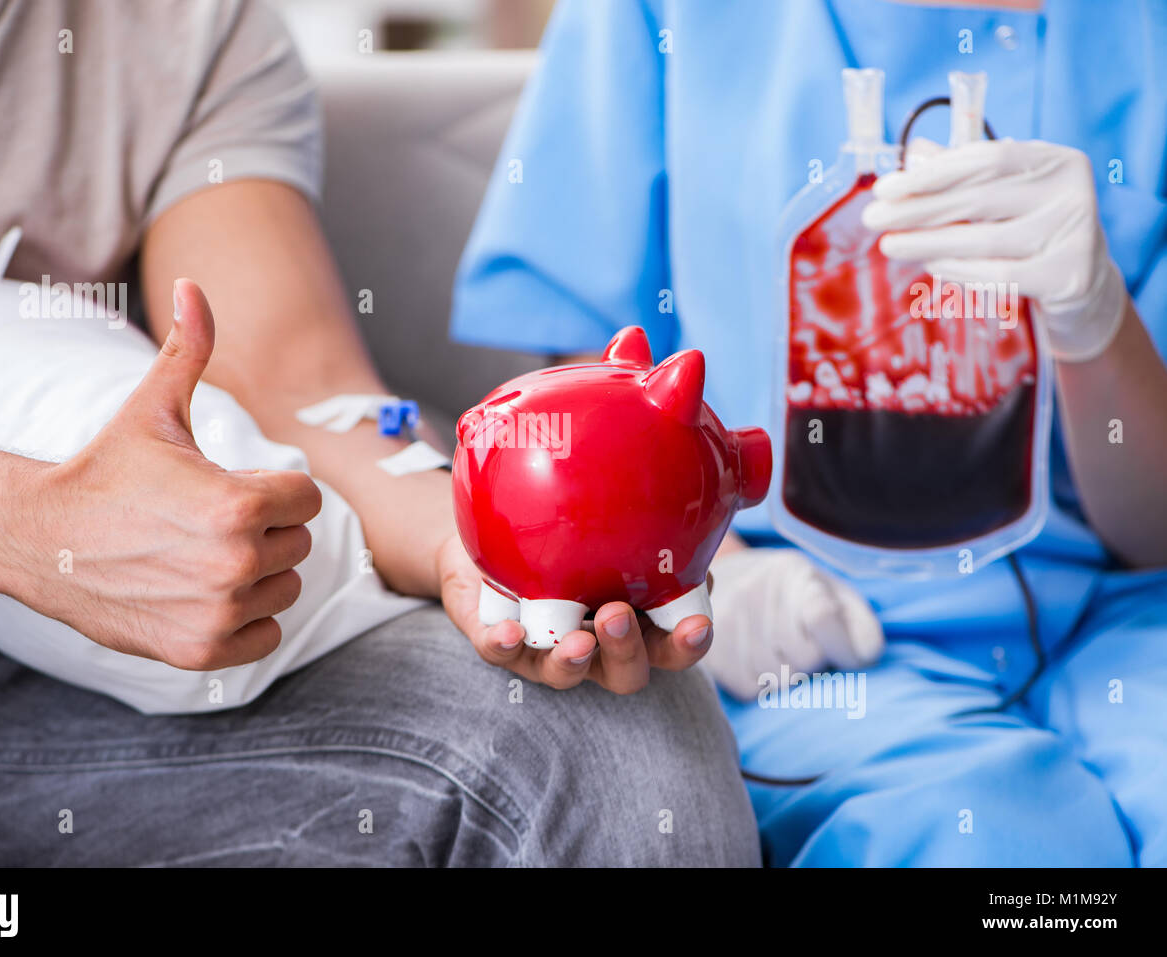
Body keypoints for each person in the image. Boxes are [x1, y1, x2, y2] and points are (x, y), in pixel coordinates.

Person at [0, 0, 760, 866]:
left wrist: (471, 534)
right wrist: (11, 522)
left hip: (71, 687)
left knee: (626, 741)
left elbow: (298, 384)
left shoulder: (185, 27)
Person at [452, 0, 1167, 866]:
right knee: (1006, 854)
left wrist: (1098, 323)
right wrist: (713, 575)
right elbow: (574, 404)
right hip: (808, 639)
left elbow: (1154, 531)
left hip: (1125, 620)